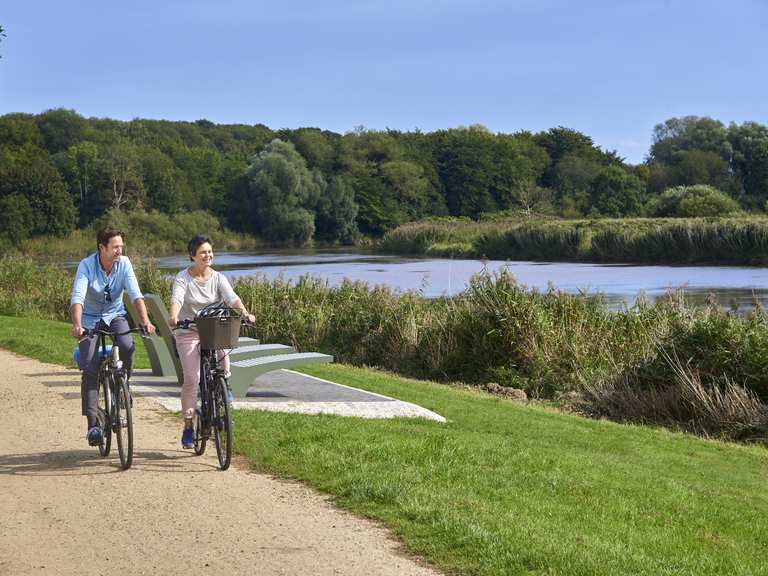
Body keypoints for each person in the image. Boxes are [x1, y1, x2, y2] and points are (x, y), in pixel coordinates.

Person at [70, 226, 156, 446]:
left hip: (115, 315)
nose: (119, 251)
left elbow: (136, 295)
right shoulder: (86, 266)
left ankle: (123, 389)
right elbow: (78, 298)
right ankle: (93, 426)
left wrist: (145, 321)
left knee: (127, 345)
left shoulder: (124, 264)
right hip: (89, 318)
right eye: (115, 247)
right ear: (102, 248)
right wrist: (78, 325)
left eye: (121, 246)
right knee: (89, 365)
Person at [169, 234, 255, 449]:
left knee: (224, 360)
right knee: (192, 378)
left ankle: (223, 389)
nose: (207, 255)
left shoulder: (218, 278)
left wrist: (244, 314)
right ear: (192, 256)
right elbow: (177, 298)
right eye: (202, 252)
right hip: (189, 330)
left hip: (214, 328)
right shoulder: (183, 278)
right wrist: (174, 316)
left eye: (209, 251)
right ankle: (189, 425)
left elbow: (232, 298)